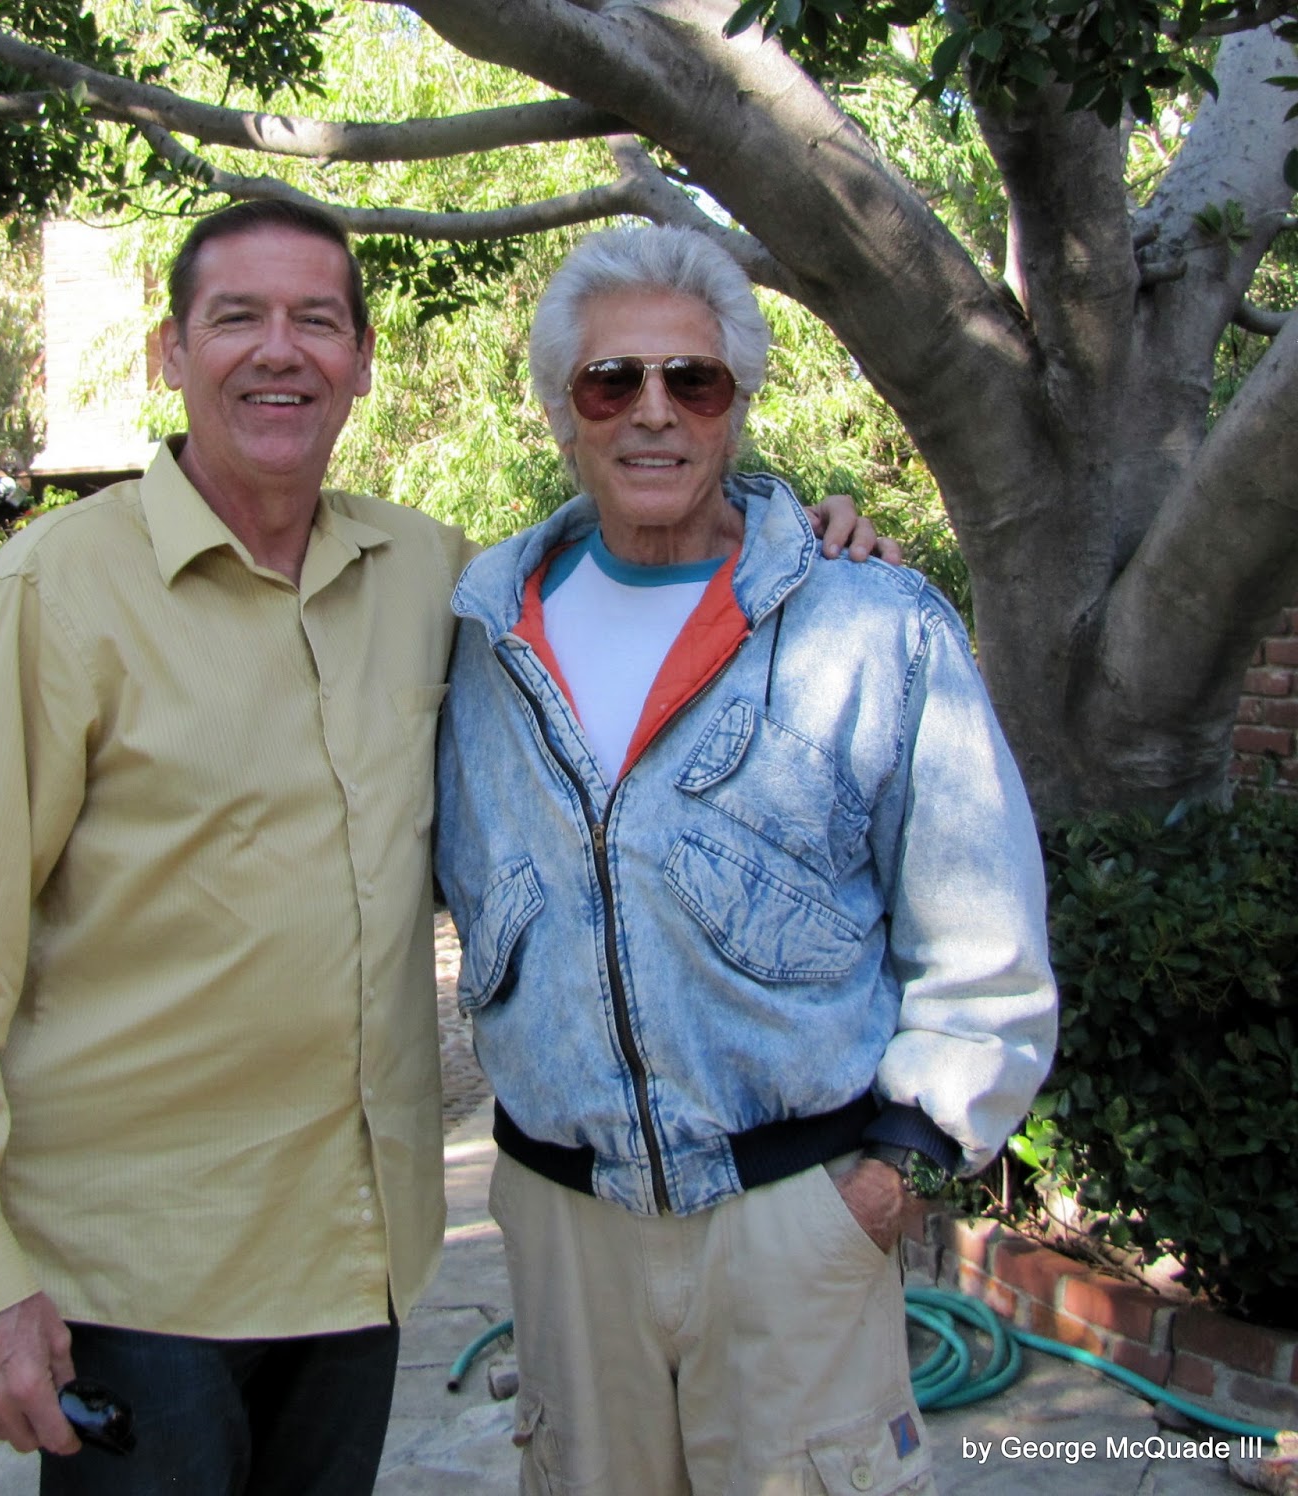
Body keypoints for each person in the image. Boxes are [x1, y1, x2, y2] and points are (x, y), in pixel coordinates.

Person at [0, 201, 888, 1496]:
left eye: (317, 322)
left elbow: (643, 542)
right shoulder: (53, 598)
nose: (279, 351)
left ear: (359, 363)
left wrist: (811, 543)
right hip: (136, 1274)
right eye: (237, 318)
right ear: (168, 357)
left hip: (355, 1267)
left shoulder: (438, 581)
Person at [434, 225, 1059, 1496]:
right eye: (614, 381)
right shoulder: (470, 643)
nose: (652, 412)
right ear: (564, 408)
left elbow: (981, 939)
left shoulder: (872, 624)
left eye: (692, 380)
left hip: (801, 1218)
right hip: (566, 1235)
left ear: (738, 404)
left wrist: (893, 1175)